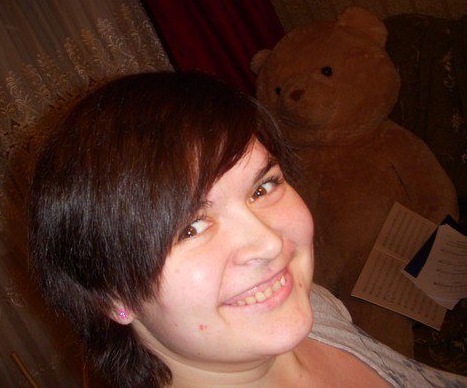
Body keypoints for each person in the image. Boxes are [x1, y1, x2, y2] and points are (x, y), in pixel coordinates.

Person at [28, 71, 467, 387]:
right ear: (113, 298)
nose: (269, 243)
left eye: (263, 187)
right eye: (190, 228)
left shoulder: (311, 307)